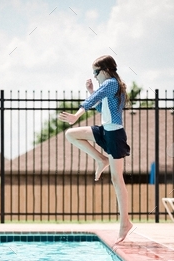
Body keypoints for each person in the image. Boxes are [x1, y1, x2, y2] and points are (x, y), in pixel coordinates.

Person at [58, 55, 134, 244]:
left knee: (117, 180)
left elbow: (93, 101)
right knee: (71, 134)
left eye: (95, 72)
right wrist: (92, 90)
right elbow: (101, 108)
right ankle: (101, 159)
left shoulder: (110, 83)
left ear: (105, 70)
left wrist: (77, 114)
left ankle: (125, 223)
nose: (94, 76)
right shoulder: (109, 86)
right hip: (104, 131)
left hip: (115, 136)